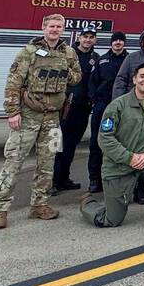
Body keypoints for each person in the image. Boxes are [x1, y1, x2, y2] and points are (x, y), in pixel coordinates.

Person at [0, 13, 82, 228]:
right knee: (14, 161)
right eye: (51, 26)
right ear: (43, 27)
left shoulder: (68, 53)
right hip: (29, 115)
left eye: (59, 27)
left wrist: (65, 72)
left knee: (47, 163)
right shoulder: (28, 52)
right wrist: (13, 112)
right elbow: (13, 83)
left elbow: (77, 77)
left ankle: (40, 204)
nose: (55, 30)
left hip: (52, 117)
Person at [80, 63, 144, 230]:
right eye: (142, 76)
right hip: (119, 166)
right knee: (111, 220)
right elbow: (105, 138)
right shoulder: (117, 106)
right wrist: (129, 158)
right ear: (134, 79)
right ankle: (88, 203)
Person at [52, 28, 99, 194]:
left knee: (72, 145)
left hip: (83, 108)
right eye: (85, 37)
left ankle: (64, 179)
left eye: (91, 37)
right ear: (79, 38)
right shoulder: (68, 55)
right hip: (65, 107)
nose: (88, 40)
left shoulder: (95, 58)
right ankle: (52, 181)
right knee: (57, 144)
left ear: (95, 40)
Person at [88, 31, 130, 194]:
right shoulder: (102, 60)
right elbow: (92, 82)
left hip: (122, 106)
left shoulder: (129, 60)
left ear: (124, 43)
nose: (118, 43)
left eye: (121, 40)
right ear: (111, 43)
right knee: (96, 142)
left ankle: (119, 179)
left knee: (122, 142)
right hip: (102, 105)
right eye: (115, 40)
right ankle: (94, 179)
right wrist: (93, 99)